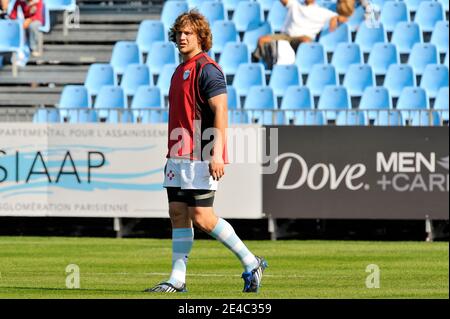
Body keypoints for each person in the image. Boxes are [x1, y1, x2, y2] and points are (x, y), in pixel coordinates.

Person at [145, 10, 268, 294]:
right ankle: (177, 279)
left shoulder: (208, 69)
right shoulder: (178, 71)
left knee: (202, 217)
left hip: (200, 154)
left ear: (201, 37)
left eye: (188, 33)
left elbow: (221, 110)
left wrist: (217, 152)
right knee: (177, 212)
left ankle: (251, 262)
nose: (182, 37)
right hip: (177, 154)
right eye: (179, 33)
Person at [253, 0, 351, 67]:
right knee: (262, 39)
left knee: (306, 41)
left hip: (303, 38)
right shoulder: (295, 5)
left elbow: (344, 18)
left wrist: (336, 18)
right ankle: (260, 62)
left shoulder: (322, 12)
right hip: (285, 36)